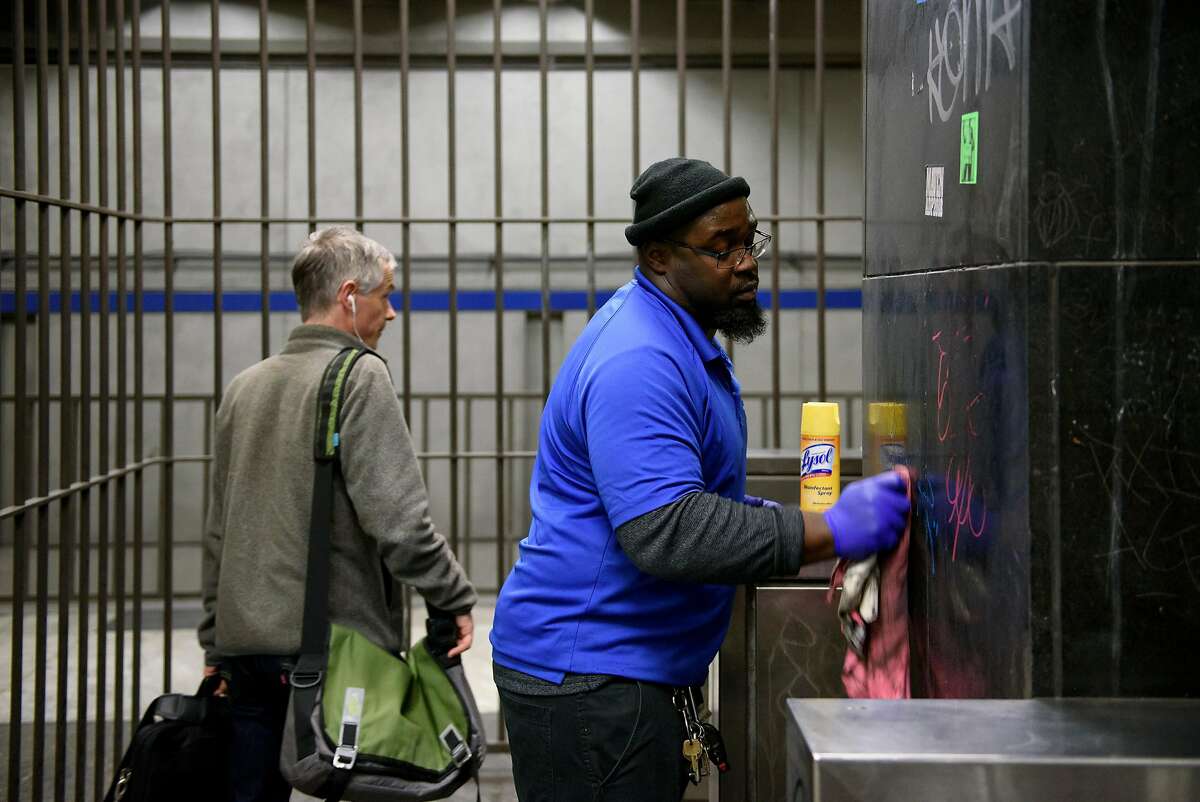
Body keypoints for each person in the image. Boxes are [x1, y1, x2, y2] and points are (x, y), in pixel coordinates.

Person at [489, 158, 910, 801]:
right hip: (587, 679)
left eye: (750, 241)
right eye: (721, 248)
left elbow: (694, 496)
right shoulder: (640, 357)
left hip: (627, 671)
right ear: (659, 257)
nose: (746, 262)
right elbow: (668, 531)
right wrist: (831, 529)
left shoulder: (681, 340)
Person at [199, 226, 477, 802]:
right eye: (387, 295)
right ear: (350, 296)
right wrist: (452, 597)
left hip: (245, 652)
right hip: (333, 653)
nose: (392, 312)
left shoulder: (242, 387)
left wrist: (214, 646)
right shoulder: (359, 375)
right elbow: (400, 522)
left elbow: (219, 531)